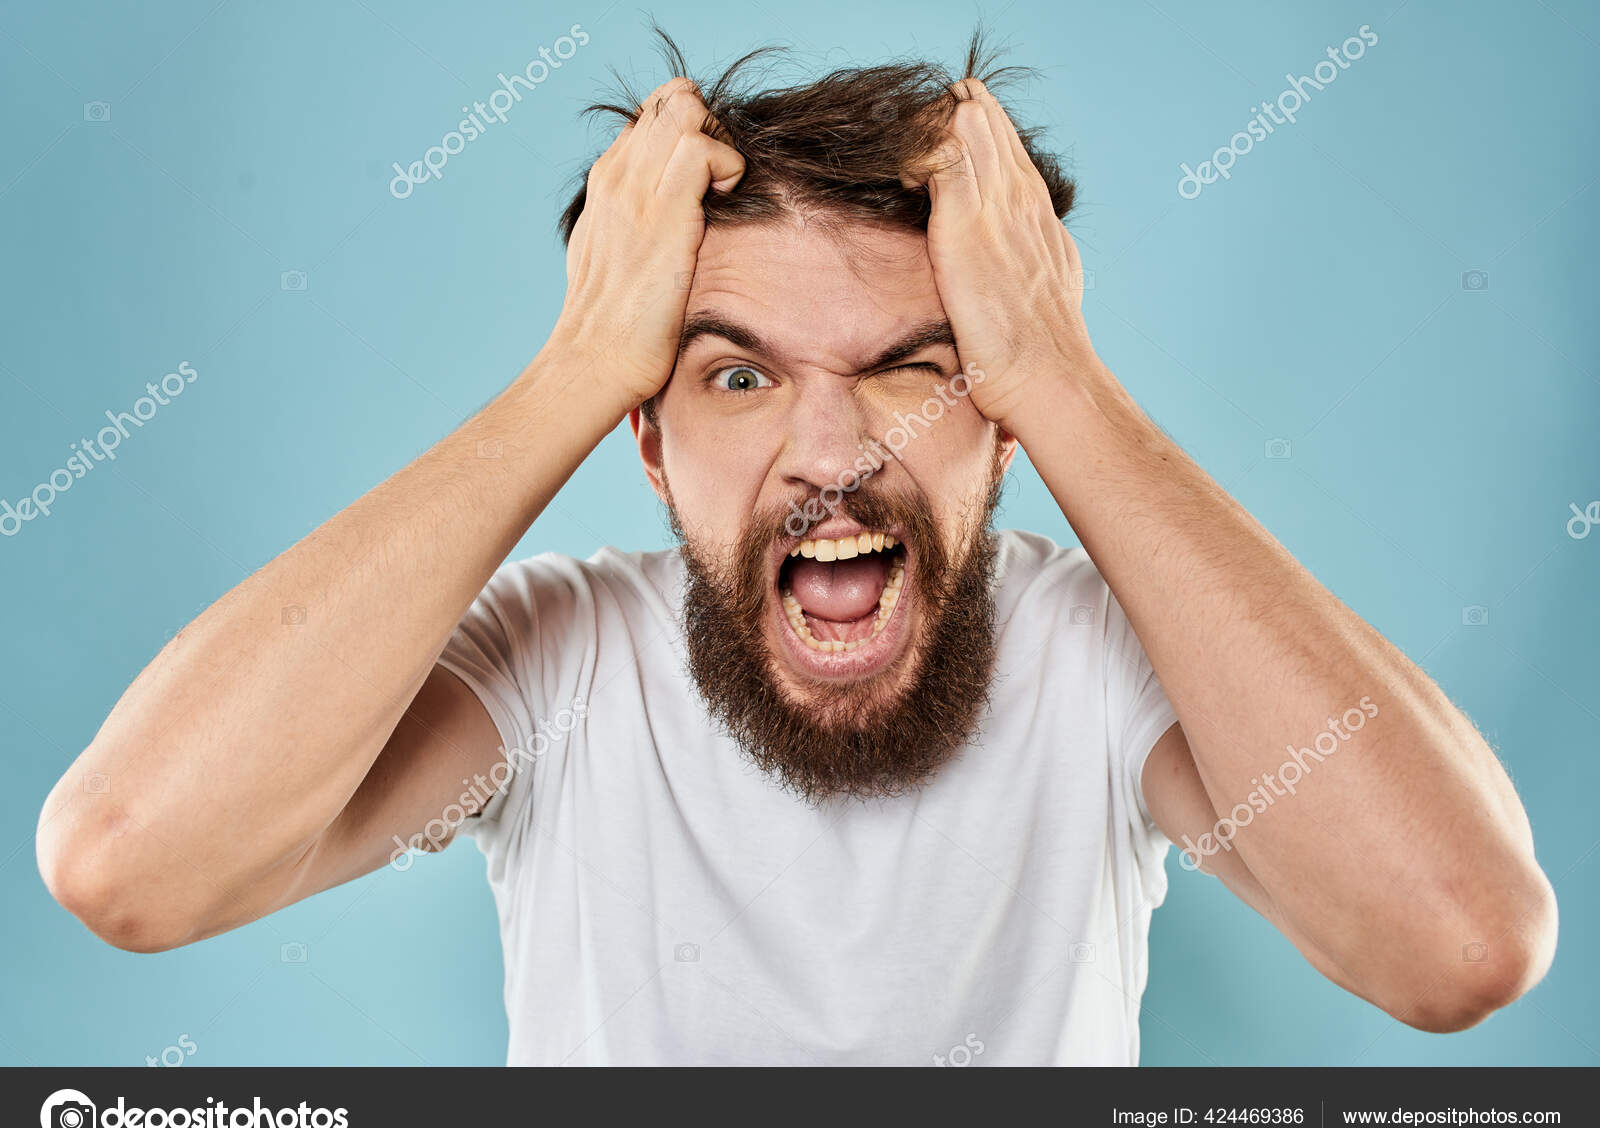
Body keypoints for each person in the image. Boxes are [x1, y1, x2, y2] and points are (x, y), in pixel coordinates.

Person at [36, 36, 1556, 1065]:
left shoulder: (1100, 655)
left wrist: (1066, 378)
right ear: (646, 433)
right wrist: (574, 369)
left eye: (916, 367)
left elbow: (1462, 944)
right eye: (737, 376)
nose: (836, 460)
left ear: (1005, 417)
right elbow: (127, 867)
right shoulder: (561, 662)